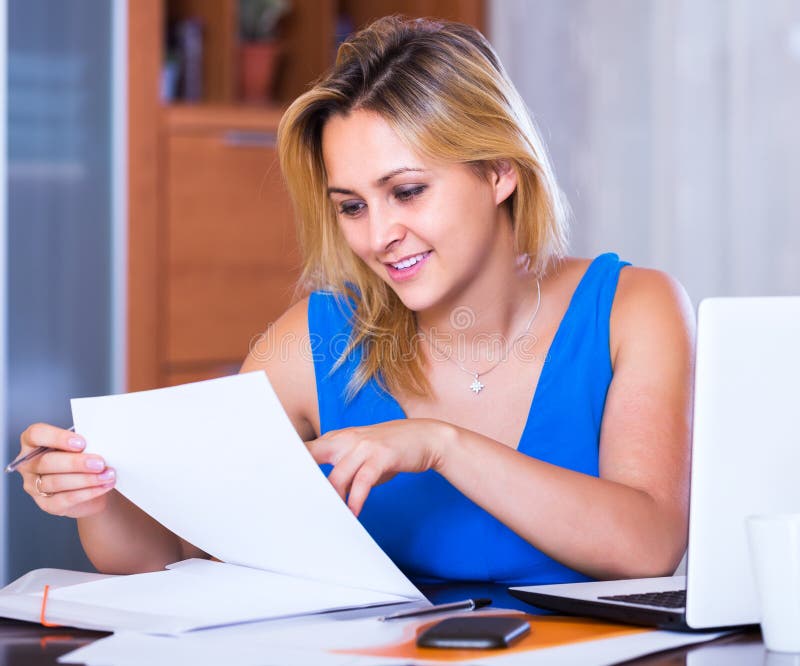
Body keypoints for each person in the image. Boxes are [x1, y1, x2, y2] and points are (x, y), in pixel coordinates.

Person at [15, 16, 693, 596]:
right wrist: (95, 497)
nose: (377, 236)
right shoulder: (312, 342)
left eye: (406, 191)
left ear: (498, 172)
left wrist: (443, 446)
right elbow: (184, 554)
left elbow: (650, 542)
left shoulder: (633, 309)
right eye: (351, 206)